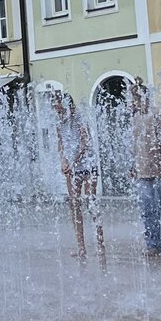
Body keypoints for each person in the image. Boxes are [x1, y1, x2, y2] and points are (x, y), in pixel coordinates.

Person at [52, 93, 104, 265]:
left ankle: (99, 243)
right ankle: (80, 246)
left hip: (87, 166)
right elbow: (60, 143)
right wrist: (63, 161)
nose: (59, 113)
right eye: (56, 110)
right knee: (74, 205)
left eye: (60, 110)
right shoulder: (59, 123)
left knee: (91, 202)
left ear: (69, 107)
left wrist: (72, 161)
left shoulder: (80, 119)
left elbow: (84, 142)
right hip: (72, 168)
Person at [130, 82, 161, 260]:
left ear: (142, 97)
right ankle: (152, 244)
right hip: (142, 170)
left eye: (134, 99)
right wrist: (132, 165)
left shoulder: (156, 115)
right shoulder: (135, 117)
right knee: (147, 210)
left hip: (157, 170)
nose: (132, 102)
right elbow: (134, 144)